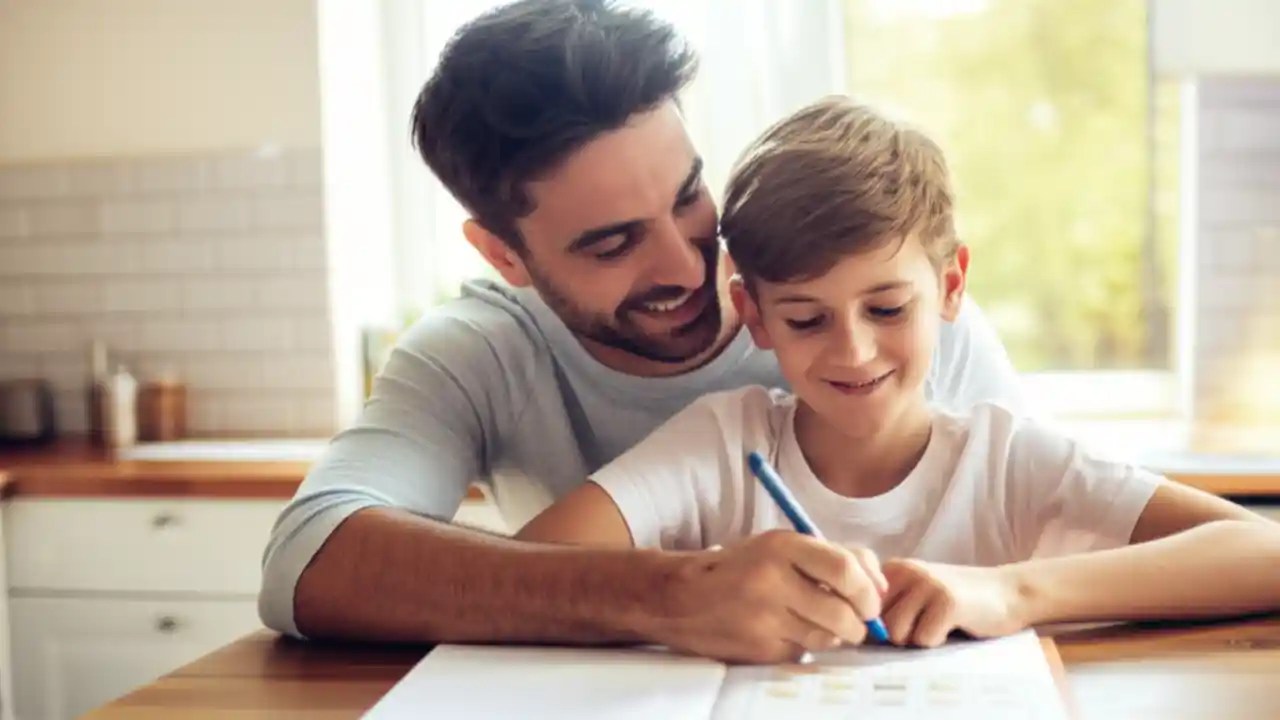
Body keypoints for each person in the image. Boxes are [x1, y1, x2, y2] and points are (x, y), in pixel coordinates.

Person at [259, 0, 1025, 662]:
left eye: (689, 196)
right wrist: (665, 596)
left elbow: (1046, 536)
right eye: (612, 242)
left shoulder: (896, 320)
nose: (689, 268)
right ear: (503, 255)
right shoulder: (479, 352)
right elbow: (309, 562)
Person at [516, 96, 1280, 650]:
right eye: (806, 319)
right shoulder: (723, 444)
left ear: (950, 288)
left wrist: (1011, 592)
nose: (852, 352)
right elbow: (528, 574)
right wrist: (697, 587)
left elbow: (1262, 554)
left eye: (886, 310)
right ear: (753, 314)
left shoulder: (1005, 457)